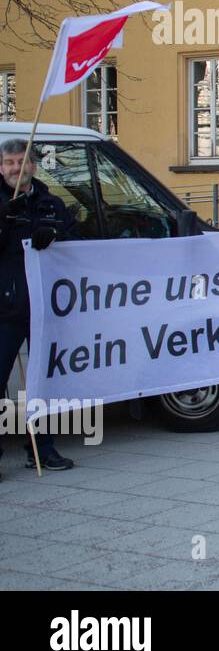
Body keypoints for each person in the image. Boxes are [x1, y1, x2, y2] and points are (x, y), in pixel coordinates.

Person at [0, 139, 78, 474]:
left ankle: (41, 447)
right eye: (10, 162)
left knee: (44, 382)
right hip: (6, 309)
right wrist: (4, 222)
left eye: (22, 161)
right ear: (1, 168)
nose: (17, 168)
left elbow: (75, 248)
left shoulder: (51, 203)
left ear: (34, 165)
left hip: (45, 309)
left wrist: (54, 235)